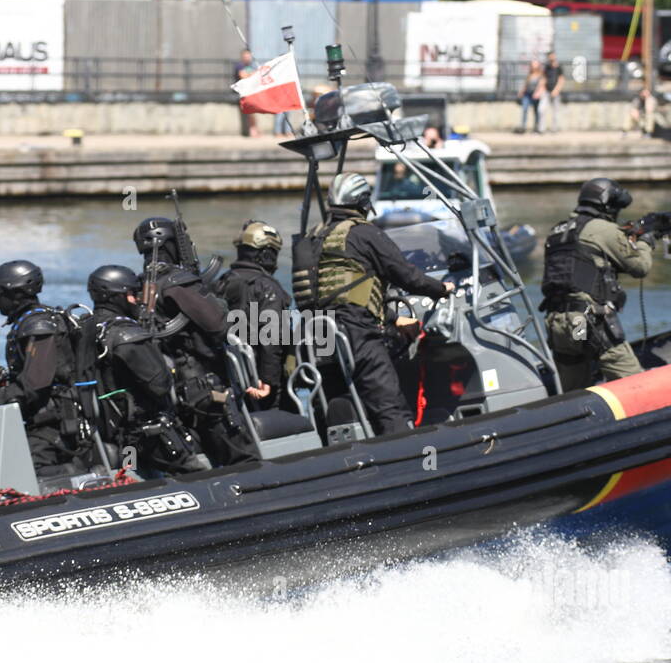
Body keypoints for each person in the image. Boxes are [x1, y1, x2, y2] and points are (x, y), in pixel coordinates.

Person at [291, 172, 454, 435]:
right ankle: (407, 459)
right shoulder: (364, 233)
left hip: (318, 336)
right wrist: (440, 289)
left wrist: (390, 317)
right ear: (363, 202)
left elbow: (340, 294)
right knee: (389, 405)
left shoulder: (311, 239)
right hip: (356, 333)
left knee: (337, 402)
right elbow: (405, 274)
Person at [133, 217, 259, 466]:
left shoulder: (142, 286)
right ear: (170, 244)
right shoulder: (177, 282)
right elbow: (219, 324)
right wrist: (209, 294)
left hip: (173, 391)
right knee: (244, 459)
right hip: (204, 386)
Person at [77, 266, 208, 476]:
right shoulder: (127, 336)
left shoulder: (86, 327)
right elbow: (161, 386)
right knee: (196, 475)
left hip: (116, 437)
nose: (136, 300)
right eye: (131, 294)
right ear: (115, 297)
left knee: (135, 473)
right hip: (150, 438)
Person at [0, 260, 81, 475]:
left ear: (16, 293)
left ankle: (81, 474)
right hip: (39, 420)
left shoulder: (38, 326)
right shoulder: (29, 322)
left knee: (24, 471)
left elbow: (34, 384)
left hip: (53, 425)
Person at [540, 178, 653, 391]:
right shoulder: (603, 230)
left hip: (561, 324)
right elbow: (640, 267)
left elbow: (584, 266)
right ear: (607, 204)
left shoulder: (558, 230)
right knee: (635, 384)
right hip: (586, 322)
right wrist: (645, 242)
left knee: (575, 391)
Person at [213, 221, 292, 409]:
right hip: (260, 384)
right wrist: (268, 380)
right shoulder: (267, 287)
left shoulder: (221, 283)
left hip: (231, 378)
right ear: (265, 254)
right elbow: (272, 337)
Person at [233, 48, 260, 138]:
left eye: (249, 56)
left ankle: (254, 130)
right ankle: (252, 130)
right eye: (245, 56)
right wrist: (253, 74)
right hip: (241, 93)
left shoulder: (252, 66)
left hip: (251, 91)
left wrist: (253, 74)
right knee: (250, 111)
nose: (247, 58)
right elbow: (243, 76)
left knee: (253, 111)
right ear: (242, 57)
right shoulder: (239, 66)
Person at [518, 59, 546, 134]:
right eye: (532, 64)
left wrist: (537, 93)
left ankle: (536, 127)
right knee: (525, 108)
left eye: (535, 64)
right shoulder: (529, 75)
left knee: (536, 111)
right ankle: (523, 127)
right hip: (527, 94)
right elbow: (526, 84)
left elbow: (541, 84)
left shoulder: (540, 75)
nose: (533, 66)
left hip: (535, 95)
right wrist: (521, 91)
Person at [540, 51, 564, 133]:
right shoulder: (547, 67)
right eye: (550, 56)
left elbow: (561, 80)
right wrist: (541, 89)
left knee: (555, 112)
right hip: (546, 91)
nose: (551, 58)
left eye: (552, 56)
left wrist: (556, 90)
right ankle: (541, 129)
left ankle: (554, 129)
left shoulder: (559, 67)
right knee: (542, 109)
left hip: (555, 92)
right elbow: (544, 78)